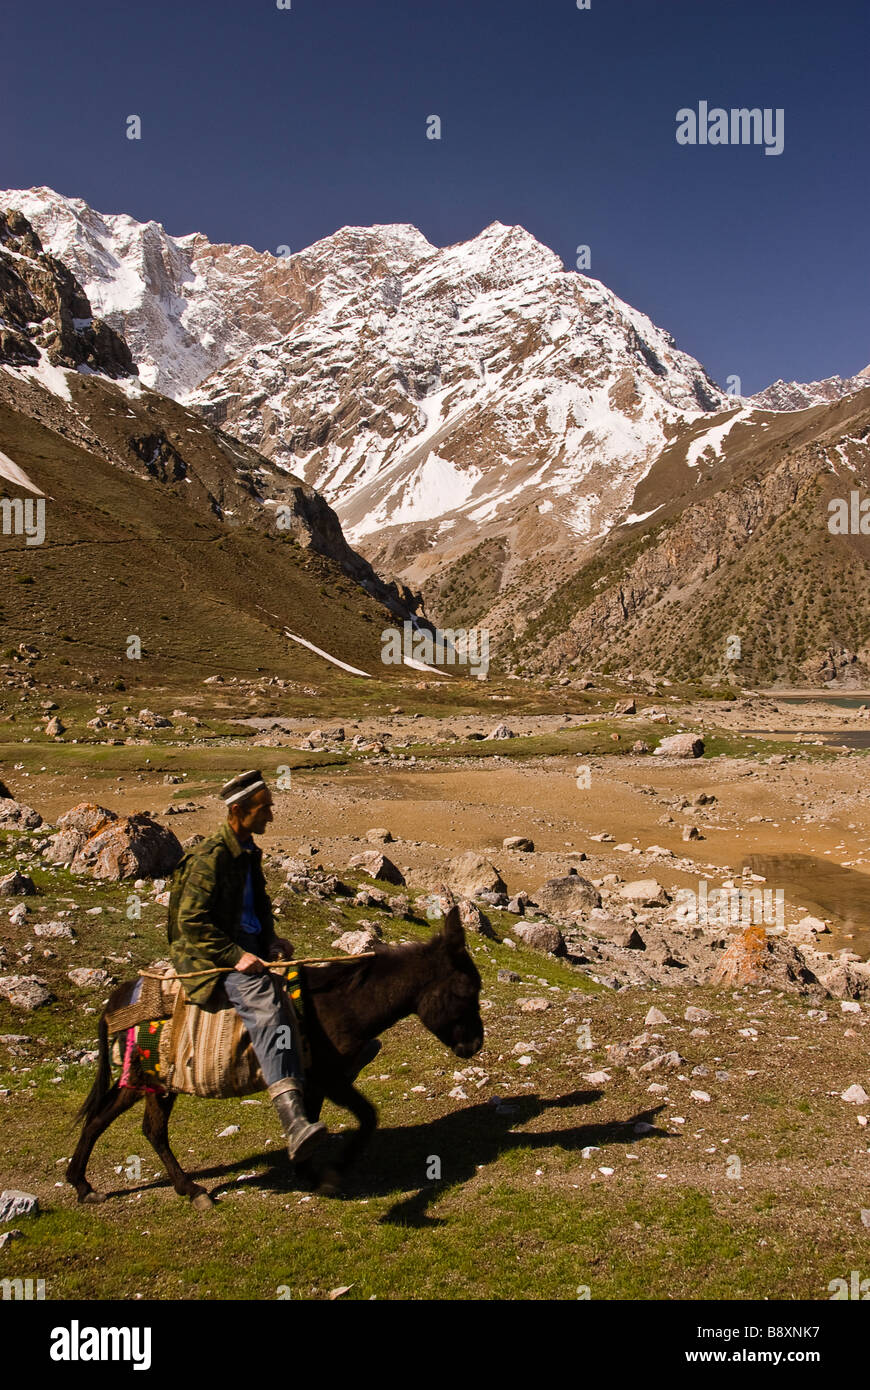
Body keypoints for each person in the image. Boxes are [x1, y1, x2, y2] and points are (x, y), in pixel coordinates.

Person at [167, 768, 327, 1163]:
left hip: (251, 947)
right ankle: (293, 1121)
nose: (271, 816)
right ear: (238, 810)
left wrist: (270, 939)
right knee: (268, 1007)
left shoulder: (248, 851)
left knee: (310, 985)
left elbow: (256, 906)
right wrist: (235, 955)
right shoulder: (211, 858)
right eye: (265, 808)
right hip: (213, 959)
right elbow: (191, 922)